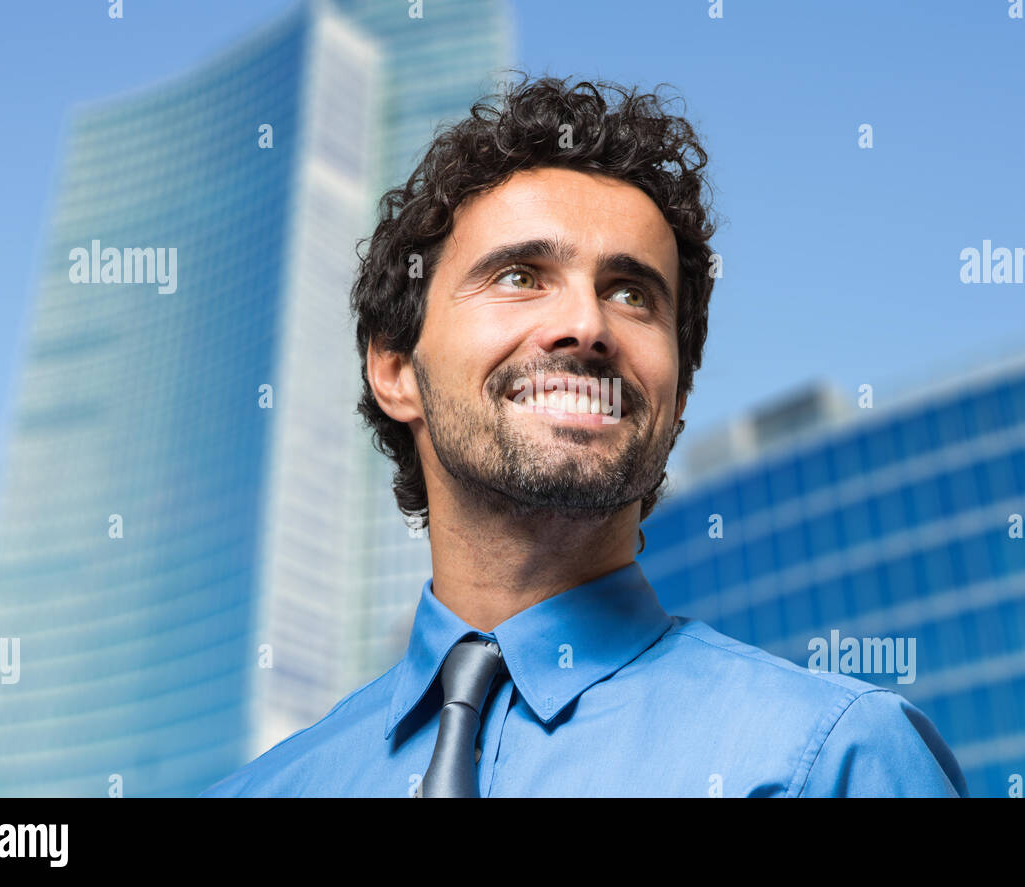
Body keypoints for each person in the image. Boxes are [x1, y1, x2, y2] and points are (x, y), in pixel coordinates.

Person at [200, 73, 968, 798]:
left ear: (679, 397)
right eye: (520, 276)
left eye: (631, 293)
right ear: (396, 368)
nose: (585, 325)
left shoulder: (837, 759)